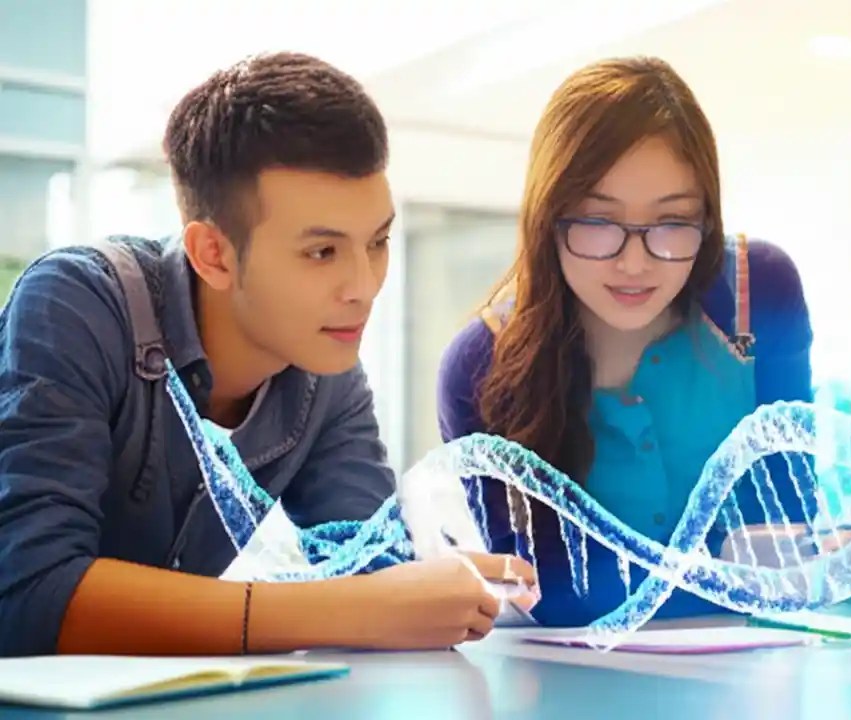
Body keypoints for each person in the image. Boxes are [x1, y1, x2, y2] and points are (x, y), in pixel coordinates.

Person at [0, 52, 536, 658]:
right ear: (214, 255)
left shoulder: (325, 368)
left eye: (379, 242)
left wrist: (434, 586)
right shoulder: (74, 304)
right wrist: (354, 608)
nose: (363, 286)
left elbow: (363, 565)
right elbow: (28, 597)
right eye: (322, 253)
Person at [436, 56, 815, 626]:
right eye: (597, 221)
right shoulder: (479, 365)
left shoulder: (757, 293)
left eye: (672, 223)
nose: (635, 263)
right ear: (547, 217)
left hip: (755, 669)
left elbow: (788, 538)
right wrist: (721, 569)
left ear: (707, 217)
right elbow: (541, 593)